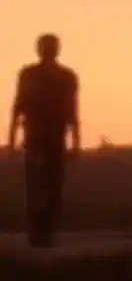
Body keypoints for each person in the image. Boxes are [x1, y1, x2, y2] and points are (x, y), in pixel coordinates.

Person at [6, 34, 80, 248]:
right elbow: (18, 106)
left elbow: (72, 110)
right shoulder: (30, 75)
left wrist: (75, 141)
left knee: (51, 185)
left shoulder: (65, 77)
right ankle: (38, 232)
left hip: (52, 138)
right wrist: (11, 138)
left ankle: (44, 231)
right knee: (38, 185)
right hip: (37, 137)